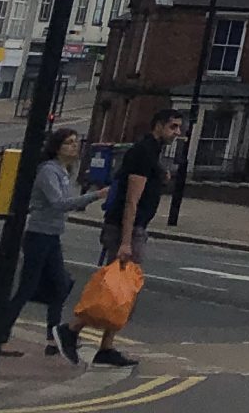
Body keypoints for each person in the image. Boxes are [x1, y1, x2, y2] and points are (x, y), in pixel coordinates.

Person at [87, 109, 181, 369]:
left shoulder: (151, 153)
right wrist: (127, 240)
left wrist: (161, 174)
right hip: (126, 228)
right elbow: (131, 201)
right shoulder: (142, 152)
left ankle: (104, 346)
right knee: (118, 289)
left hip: (132, 228)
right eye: (173, 127)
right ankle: (73, 330)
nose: (177, 133)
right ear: (159, 126)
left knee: (120, 290)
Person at [7, 128, 100, 363]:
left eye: (75, 142)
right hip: (38, 235)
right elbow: (58, 203)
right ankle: (0, 332)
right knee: (27, 288)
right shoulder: (48, 171)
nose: (74, 146)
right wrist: (95, 196)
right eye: (69, 143)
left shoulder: (63, 171)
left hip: (51, 236)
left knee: (60, 284)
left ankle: (53, 337)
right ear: (57, 147)